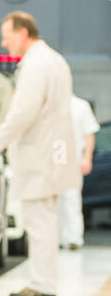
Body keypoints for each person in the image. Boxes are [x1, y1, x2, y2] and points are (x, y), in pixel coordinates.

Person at [0, 12, 81, 296]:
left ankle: (43, 286)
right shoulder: (52, 60)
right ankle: (43, 282)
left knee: (39, 221)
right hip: (48, 152)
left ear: (22, 33)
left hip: (39, 154)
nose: (5, 44)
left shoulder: (37, 64)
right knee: (43, 219)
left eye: (7, 37)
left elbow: (23, 114)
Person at [59, 96, 100, 249]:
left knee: (72, 198)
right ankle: (57, 239)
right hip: (51, 162)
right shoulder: (48, 104)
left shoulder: (80, 106)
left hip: (73, 160)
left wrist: (86, 158)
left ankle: (73, 238)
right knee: (52, 201)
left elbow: (90, 133)